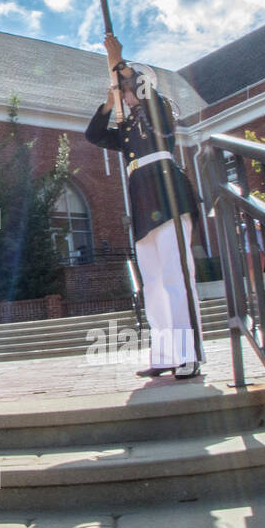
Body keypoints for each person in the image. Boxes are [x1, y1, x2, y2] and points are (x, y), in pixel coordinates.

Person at [84, 36, 204, 380]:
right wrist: (109, 104)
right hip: (141, 201)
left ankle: (189, 354)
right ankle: (165, 353)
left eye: (126, 86)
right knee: (152, 282)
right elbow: (93, 135)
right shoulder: (125, 128)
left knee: (176, 277)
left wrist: (117, 62)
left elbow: (146, 93)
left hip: (168, 194)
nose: (123, 90)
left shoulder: (159, 109)